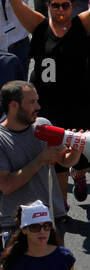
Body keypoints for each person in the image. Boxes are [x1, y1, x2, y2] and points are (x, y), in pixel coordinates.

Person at [2, 0, 90, 204]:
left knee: (83, 158)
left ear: (72, 7)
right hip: (48, 105)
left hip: (79, 104)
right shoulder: (39, 26)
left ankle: (81, 174)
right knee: (56, 157)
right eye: (55, 5)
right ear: (48, 7)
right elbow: (17, 3)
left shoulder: (81, 25)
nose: (60, 10)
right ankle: (61, 205)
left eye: (65, 5)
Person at [0, 82, 82, 223]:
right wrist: (40, 160)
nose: (38, 107)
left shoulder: (43, 124)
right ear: (14, 106)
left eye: (37, 101)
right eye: (32, 102)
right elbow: (7, 186)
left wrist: (75, 152)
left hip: (52, 216)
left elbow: (65, 160)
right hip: (16, 223)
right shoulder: (1, 139)